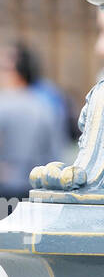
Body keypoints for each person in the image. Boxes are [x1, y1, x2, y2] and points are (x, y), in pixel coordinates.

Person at [0, 43, 68, 201]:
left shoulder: (4, 104)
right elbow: (56, 151)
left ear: (14, 71)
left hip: (5, 186)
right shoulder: (47, 105)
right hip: (35, 188)